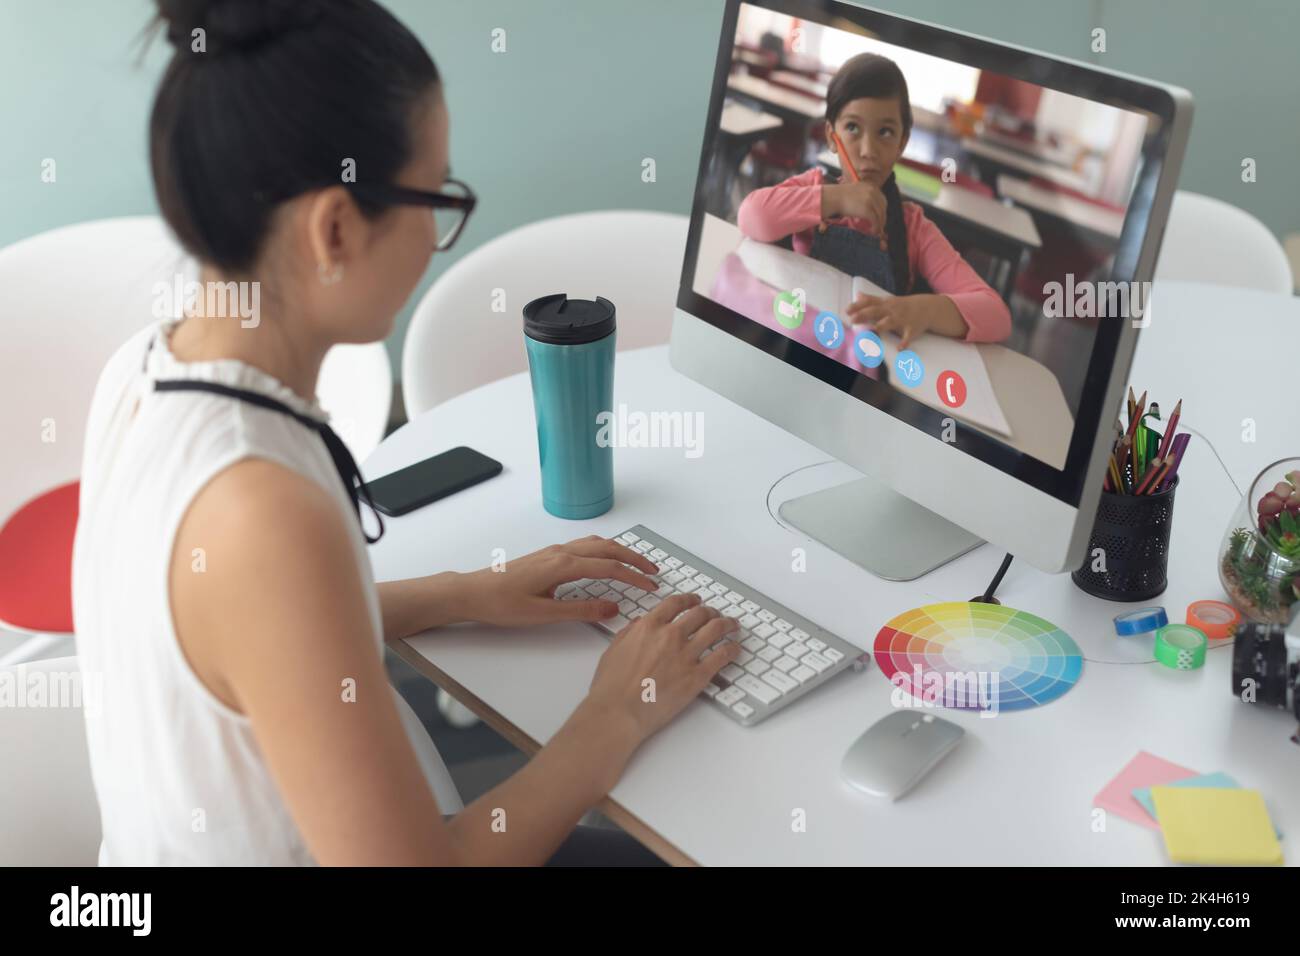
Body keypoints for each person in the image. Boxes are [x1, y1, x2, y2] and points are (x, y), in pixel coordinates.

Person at [71, 0, 739, 866]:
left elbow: (251, 635)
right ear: (337, 226)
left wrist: (466, 592)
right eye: (436, 197)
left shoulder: (140, 372)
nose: (436, 238)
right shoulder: (260, 510)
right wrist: (617, 711)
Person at [737, 53, 1011, 348]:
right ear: (832, 136)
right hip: (797, 342)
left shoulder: (913, 227)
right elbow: (751, 217)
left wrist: (924, 309)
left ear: (902, 143)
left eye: (885, 132)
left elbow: (996, 314)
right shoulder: (815, 187)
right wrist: (834, 199)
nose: (868, 150)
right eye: (853, 128)